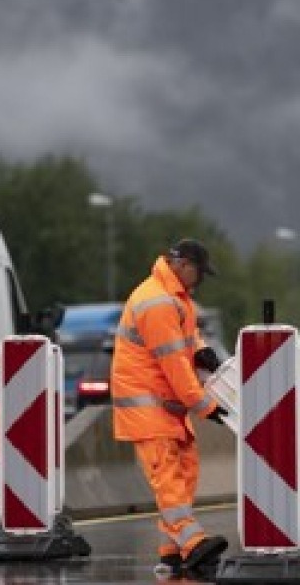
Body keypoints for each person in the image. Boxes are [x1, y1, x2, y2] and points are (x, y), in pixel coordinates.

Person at [110, 238, 230, 576]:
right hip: (149, 405)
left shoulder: (173, 297)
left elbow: (184, 343)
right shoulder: (158, 301)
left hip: (164, 405)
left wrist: (202, 349)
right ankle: (193, 543)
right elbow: (173, 362)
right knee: (168, 476)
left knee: (182, 473)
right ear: (183, 265)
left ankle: (172, 552)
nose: (201, 280)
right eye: (199, 273)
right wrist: (204, 405)